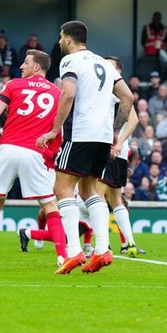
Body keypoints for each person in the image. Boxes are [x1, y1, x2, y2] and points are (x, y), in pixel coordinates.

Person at [37, 20, 135, 274]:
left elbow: (68, 94)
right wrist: (114, 130)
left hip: (81, 133)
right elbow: (128, 98)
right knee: (90, 189)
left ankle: (73, 252)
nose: (59, 42)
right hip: (102, 136)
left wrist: (55, 129)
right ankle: (102, 251)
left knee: (61, 188)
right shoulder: (104, 62)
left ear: (68, 39)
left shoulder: (71, 61)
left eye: (61, 37)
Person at [0, 50, 63, 267]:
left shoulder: (13, 85)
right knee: (50, 204)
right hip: (35, 151)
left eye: (26, 62)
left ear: (37, 67)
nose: (21, 66)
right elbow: (59, 129)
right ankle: (62, 256)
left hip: (8, 149)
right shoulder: (57, 93)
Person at [95, 56, 145, 257]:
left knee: (95, 198)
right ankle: (130, 243)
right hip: (119, 152)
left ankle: (103, 246)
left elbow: (133, 120)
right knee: (116, 200)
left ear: (118, 73)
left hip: (110, 150)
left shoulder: (115, 92)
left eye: (110, 66)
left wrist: (119, 141)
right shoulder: (111, 91)